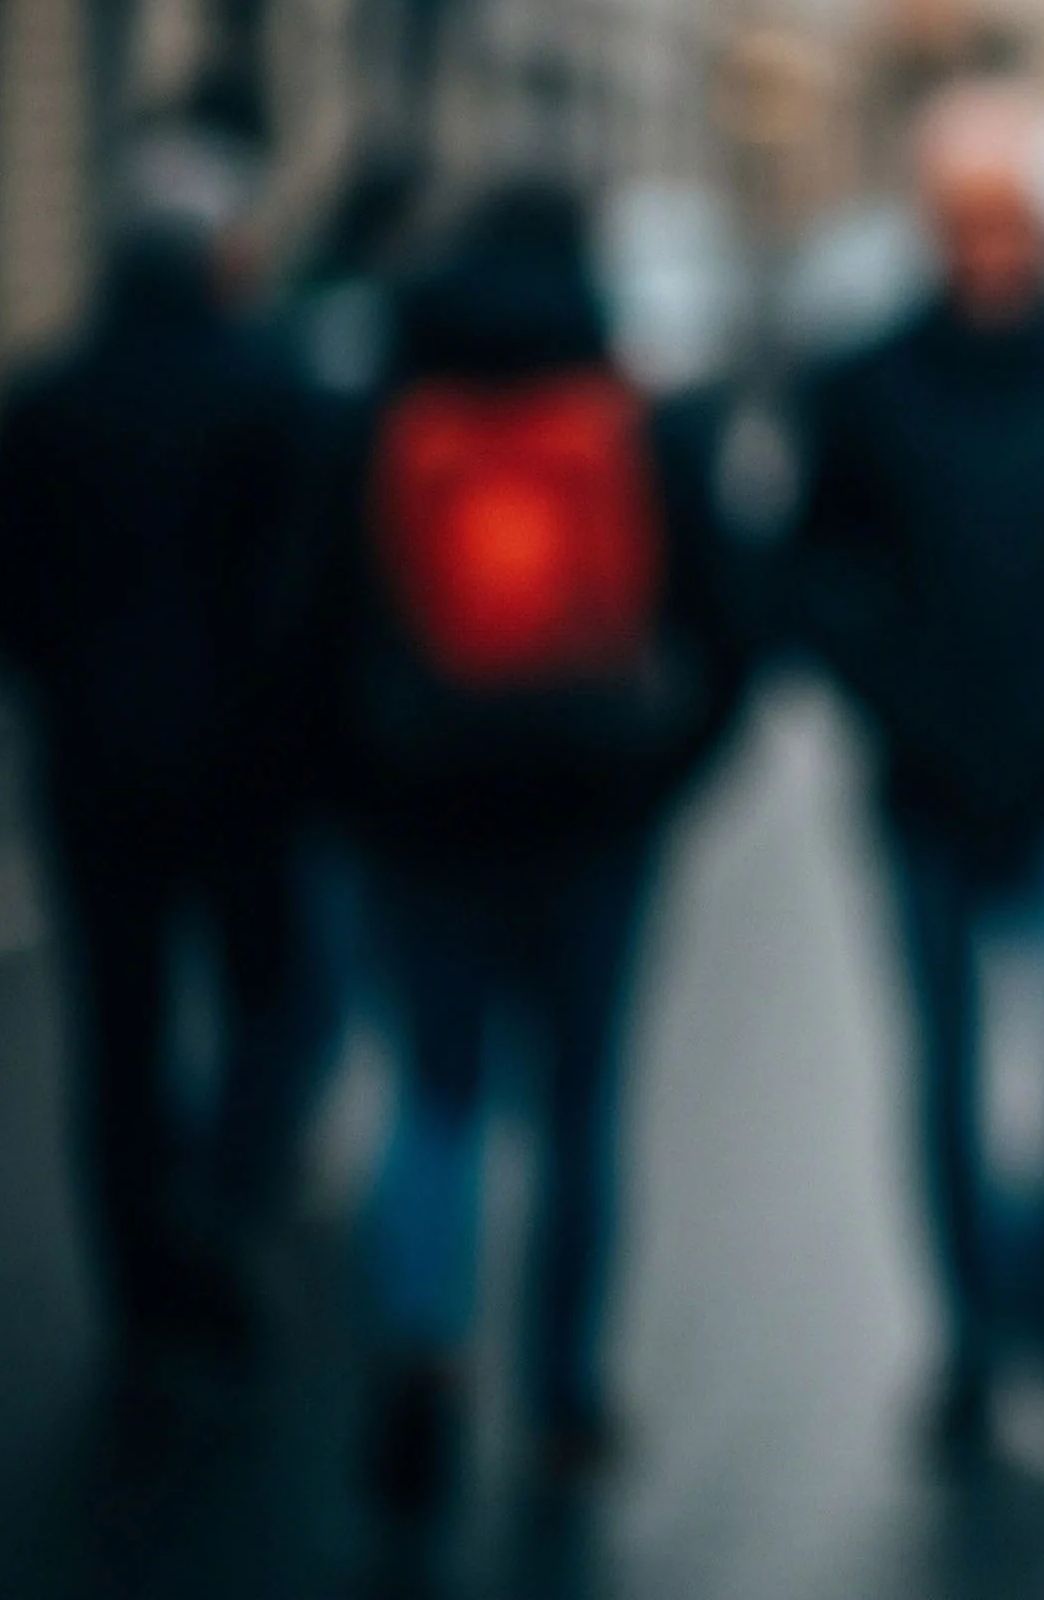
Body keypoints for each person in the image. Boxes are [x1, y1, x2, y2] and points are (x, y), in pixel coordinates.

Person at [291, 179, 756, 1514]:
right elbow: (733, 626)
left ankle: (425, 1355)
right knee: (579, 1112)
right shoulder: (642, 415)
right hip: (594, 823)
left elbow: (305, 632)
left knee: (431, 1099)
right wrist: (661, 778)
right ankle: (563, 1401)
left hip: (420, 822)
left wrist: (355, 789)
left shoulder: (380, 412)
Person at [790, 86, 1044, 1454]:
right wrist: (893, 698)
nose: (992, 251)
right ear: (931, 229)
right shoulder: (863, 380)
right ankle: (971, 1337)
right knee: (951, 1069)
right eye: (967, 224)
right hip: (921, 783)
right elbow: (811, 566)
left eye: (1013, 223)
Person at [0, 125, 331, 1367]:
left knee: (117, 1026)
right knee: (267, 998)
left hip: (93, 760)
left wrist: (67, 678)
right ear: (223, 255)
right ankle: (222, 1204)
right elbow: (312, 593)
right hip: (245, 771)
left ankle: (136, 1266)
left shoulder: (45, 395)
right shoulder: (276, 390)